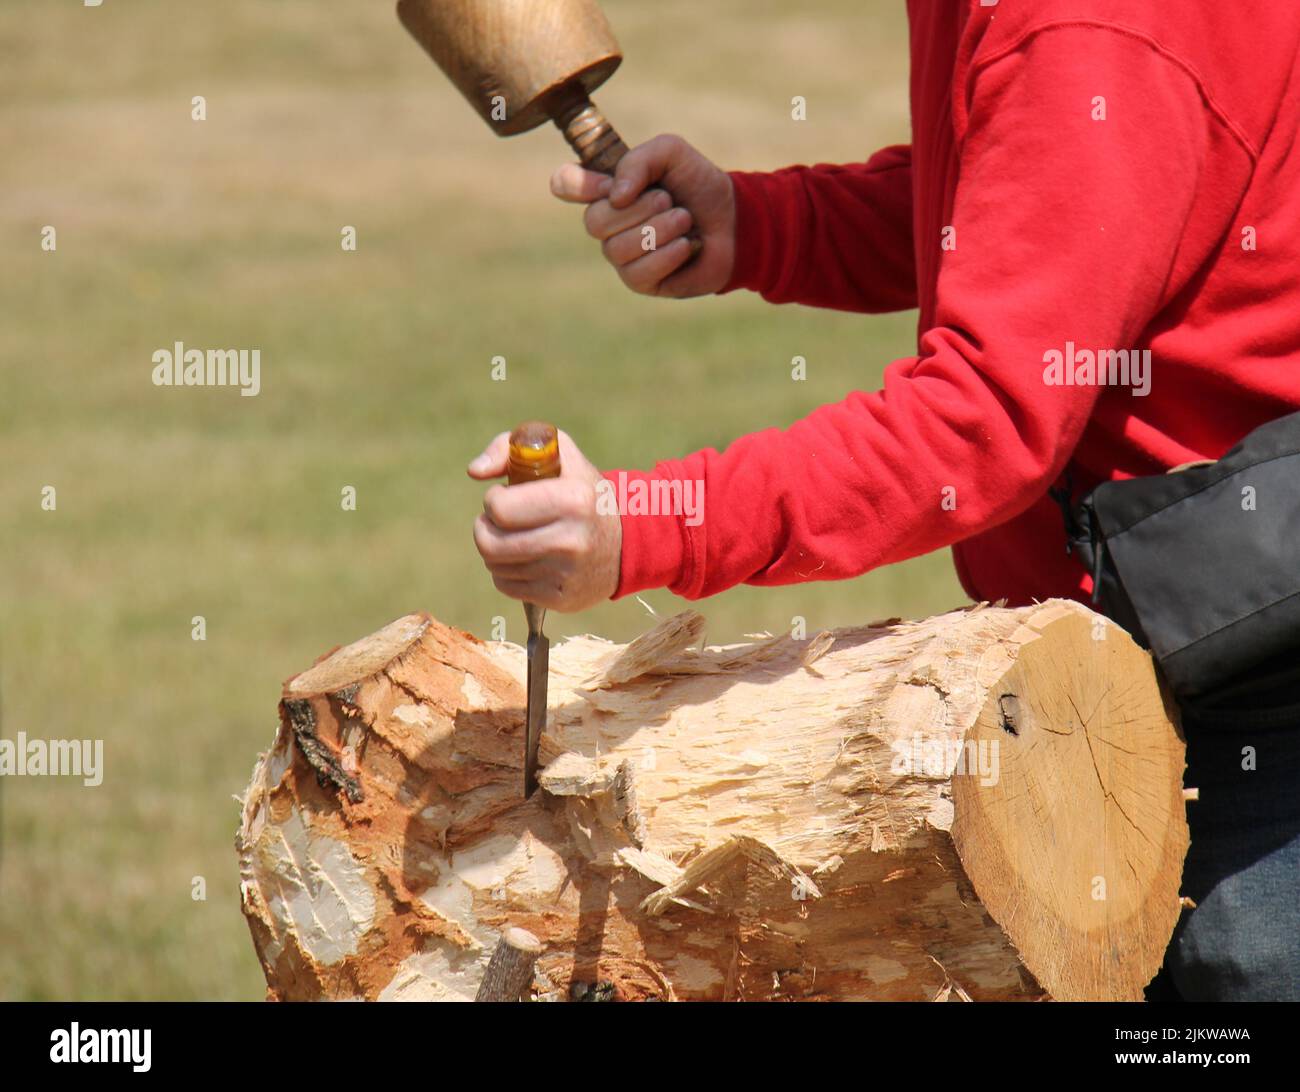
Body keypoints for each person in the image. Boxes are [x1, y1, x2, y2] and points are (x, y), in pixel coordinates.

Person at [467, 1, 1300, 1000]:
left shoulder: (1088, 27)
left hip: (1247, 676)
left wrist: (647, 524)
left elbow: (979, 424)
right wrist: (766, 227)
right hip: (1171, 639)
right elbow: (1039, 186)